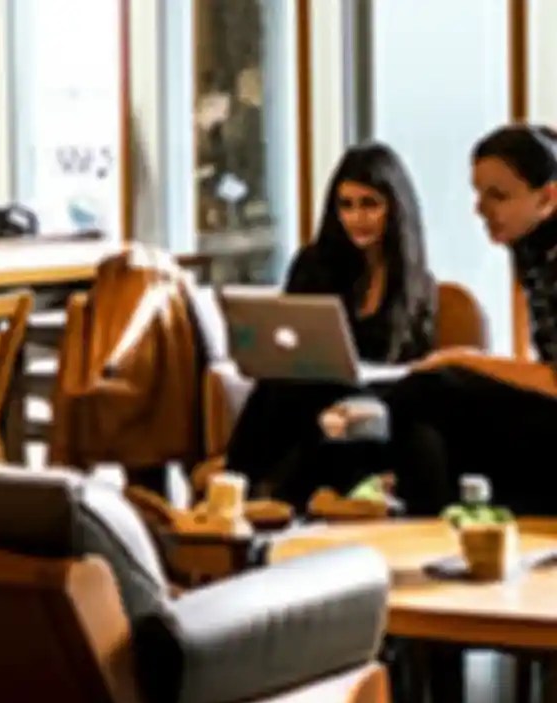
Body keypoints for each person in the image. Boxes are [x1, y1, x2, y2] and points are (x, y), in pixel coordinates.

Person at [332, 125, 557, 515]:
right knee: (413, 399)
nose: (480, 210)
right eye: (479, 194)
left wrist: (462, 359)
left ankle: (398, 511)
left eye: (498, 196)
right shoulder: (532, 246)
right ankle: (421, 519)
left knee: (429, 388)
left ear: (548, 197)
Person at [224, 143, 438, 509]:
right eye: (347, 205)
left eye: (370, 204)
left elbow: (412, 369)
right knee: (278, 386)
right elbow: (290, 341)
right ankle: (244, 491)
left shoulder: (417, 284)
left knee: (337, 417)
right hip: (312, 389)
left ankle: (265, 495)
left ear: (395, 207)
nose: (357, 218)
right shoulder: (315, 264)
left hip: (376, 398)